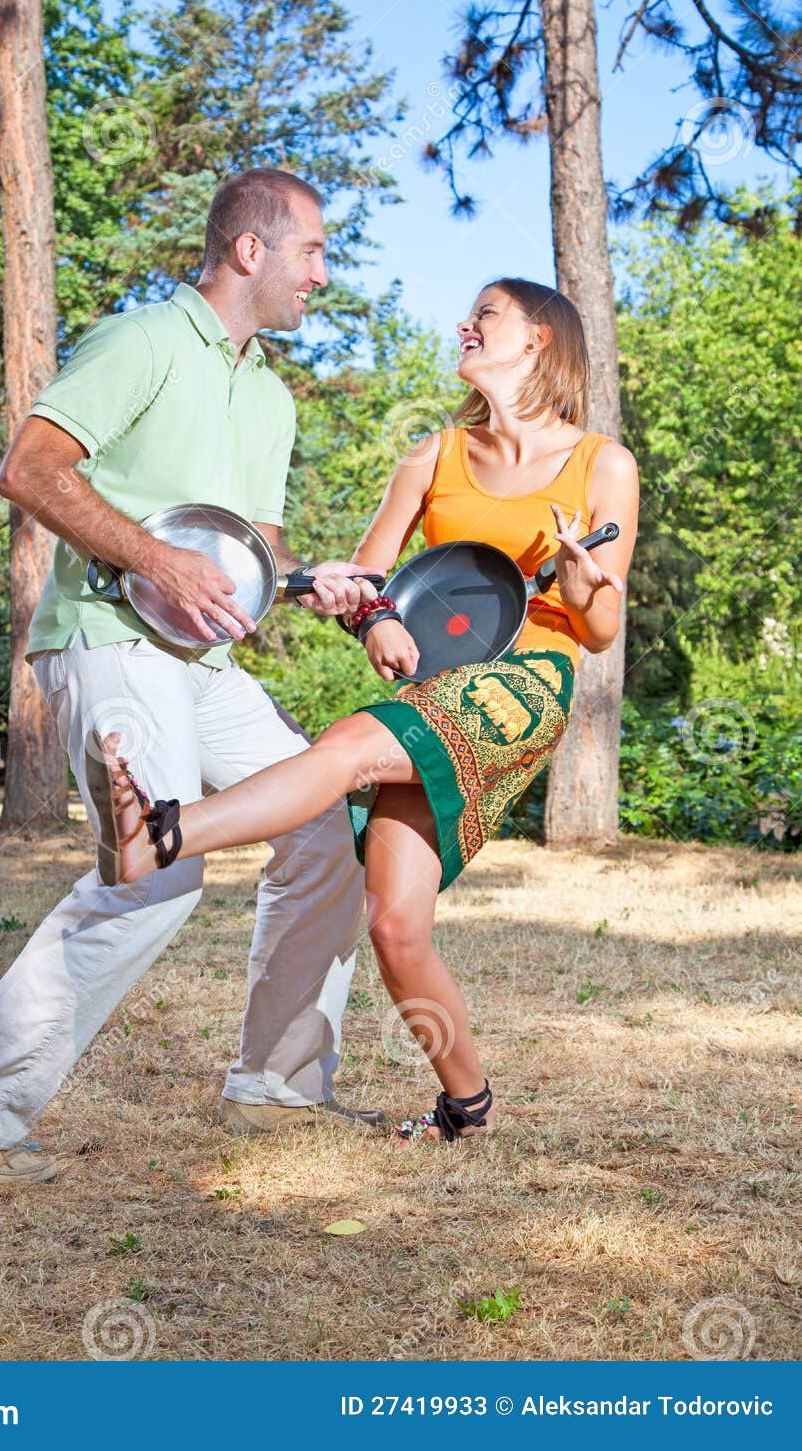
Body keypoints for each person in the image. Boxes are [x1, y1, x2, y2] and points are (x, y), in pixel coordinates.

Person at [0, 168, 388, 1183]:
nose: (321, 276)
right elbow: (30, 467)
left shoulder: (264, 393)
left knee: (332, 820)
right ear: (251, 250)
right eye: (313, 252)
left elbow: (251, 557)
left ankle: (276, 1082)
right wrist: (153, 558)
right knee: (157, 868)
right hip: (111, 637)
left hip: (200, 662)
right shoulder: (144, 340)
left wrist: (308, 583)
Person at [104, 277, 640, 1144]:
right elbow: (367, 582)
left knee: (349, 744)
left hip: (525, 685)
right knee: (394, 925)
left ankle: (163, 832)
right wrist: (378, 618)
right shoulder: (429, 457)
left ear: (539, 339)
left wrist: (581, 584)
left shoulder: (599, 464)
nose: (463, 323)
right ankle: (465, 1108)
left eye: (487, 313)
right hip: (437, 693)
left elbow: (602, 627)